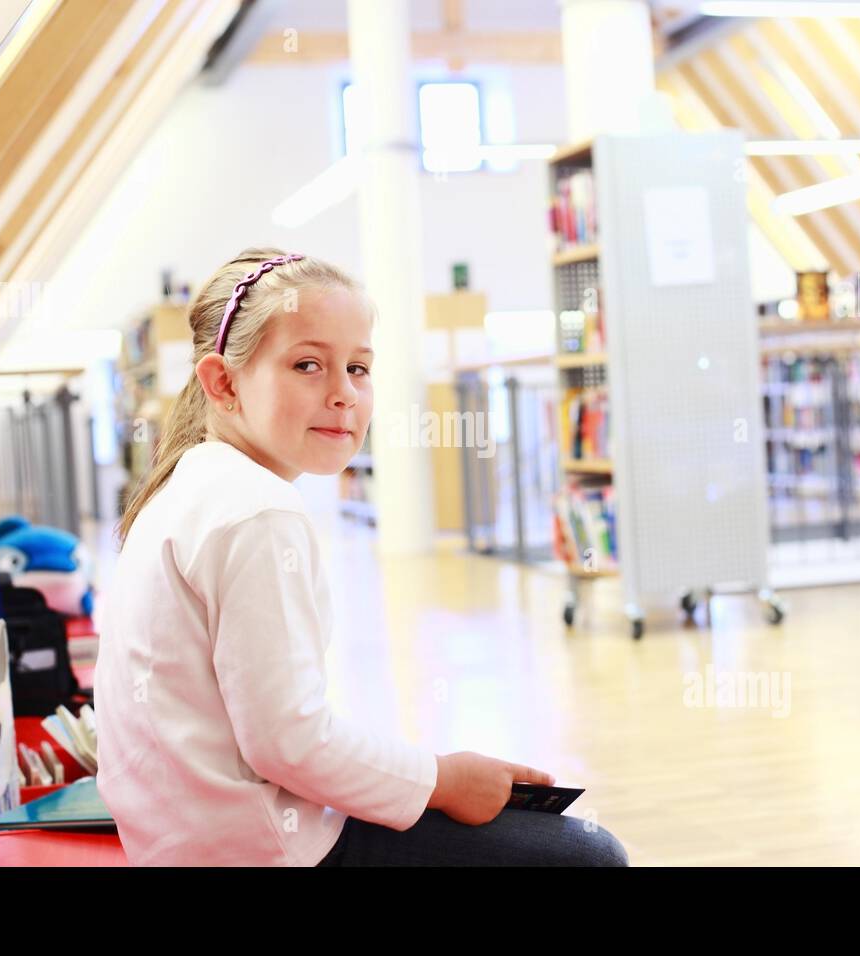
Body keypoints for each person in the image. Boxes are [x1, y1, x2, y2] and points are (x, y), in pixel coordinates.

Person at [94, 247, 629, 867]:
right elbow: (288, 743)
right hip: (265, 850)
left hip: (190, 843)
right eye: (307, 365)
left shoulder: (188, 484)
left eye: (358, 368)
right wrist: (442, 780)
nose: (344, 393)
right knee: (588, 855)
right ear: (224, 383)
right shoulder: (257, 511)